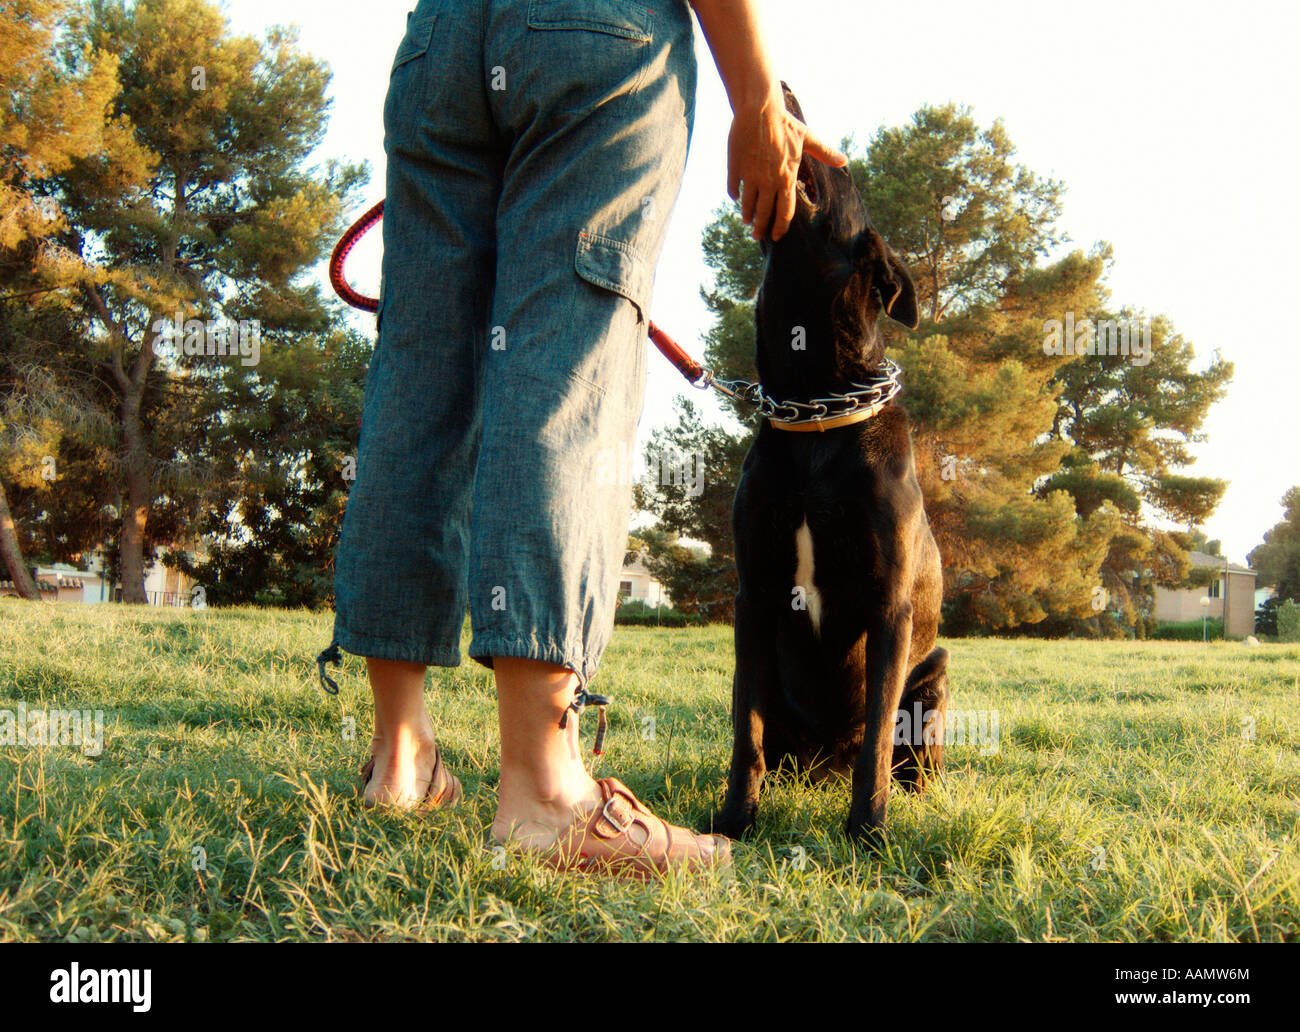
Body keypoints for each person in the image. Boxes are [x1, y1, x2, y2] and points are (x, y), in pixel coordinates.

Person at [324, 0, 846, 876]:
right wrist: (757, 95)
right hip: (594, 35)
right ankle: (544, 795)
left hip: (440, 42)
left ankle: (400, 759)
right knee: (563, 368)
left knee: (422, 371)